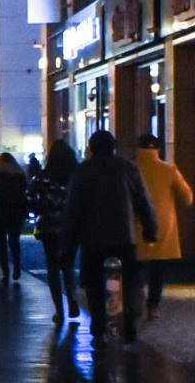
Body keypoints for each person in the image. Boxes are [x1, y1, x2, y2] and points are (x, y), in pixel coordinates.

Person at [62, 128, 156, 345]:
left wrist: (68, 245)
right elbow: (144, 202)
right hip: (125, 237)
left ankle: (98, 322)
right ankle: (130, 319)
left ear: (92, 148)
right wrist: (151, 229)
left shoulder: (82, 171)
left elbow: (73, 210)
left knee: (94, 283)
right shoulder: (128, 168)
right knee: (131, 280)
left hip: (93, 239)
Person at [133, 126, 192, 315]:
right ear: (157, 149)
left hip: (135, 226)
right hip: (162, 227)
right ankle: (153, 306)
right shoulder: (169, 170)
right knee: (158, 270)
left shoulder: (131, 169)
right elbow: (188, 196)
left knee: (135, 269)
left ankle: (135, 301)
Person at [33, 137, 79, 321]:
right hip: (70, 226)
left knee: (52, 267)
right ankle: (73, 302)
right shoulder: (75, 176)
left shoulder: (43, 177)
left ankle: (59, 310)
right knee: (68, 266)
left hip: (49, 226)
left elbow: (32, 198)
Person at [0, 150, 30, 285]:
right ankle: (16, 265)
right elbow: (24, 194)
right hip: (16, 212)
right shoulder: (19, 174)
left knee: (1, 242)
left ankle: (5, 271)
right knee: (14, 240)